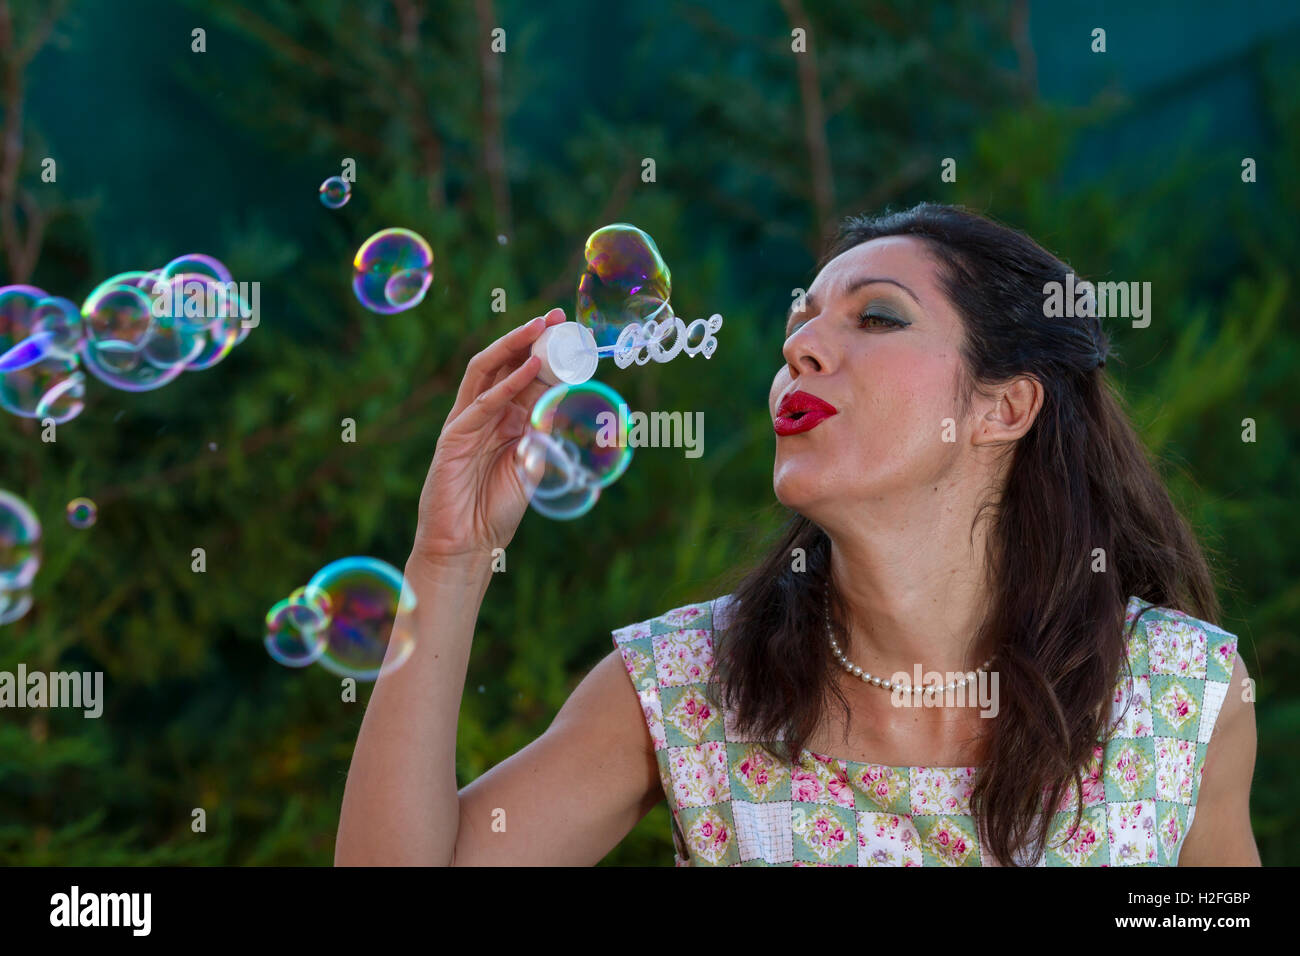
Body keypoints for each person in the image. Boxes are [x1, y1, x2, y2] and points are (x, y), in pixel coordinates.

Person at [335, 202, 1259, 867]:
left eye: (878, 317)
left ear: (1004, 406)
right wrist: (448, 559)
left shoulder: (1178, 697)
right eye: (801, 322)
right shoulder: (688, 684)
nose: (800, 347)